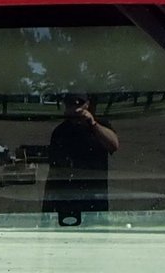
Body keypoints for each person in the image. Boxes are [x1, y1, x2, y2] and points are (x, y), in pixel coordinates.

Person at [43, 93, 120, 226]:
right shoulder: (60, 132)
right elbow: (54, 171)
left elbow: (114, 145)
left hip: (95, 196)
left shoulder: (101, 126)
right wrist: (48, 205)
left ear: (87, 105)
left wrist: (93, 124)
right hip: (67, 198)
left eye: (79, 104)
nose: (76, 109)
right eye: (70, 104)